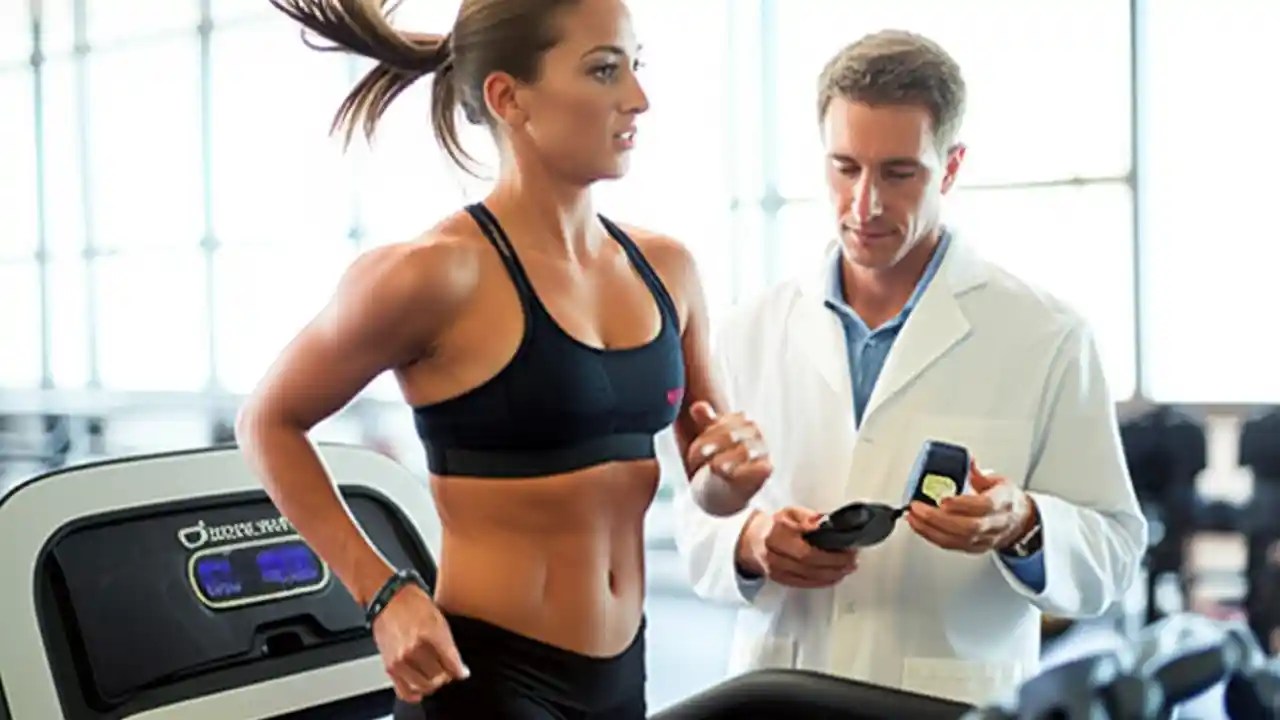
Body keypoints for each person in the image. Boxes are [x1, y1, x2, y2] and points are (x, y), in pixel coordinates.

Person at [235, 1, 773, 718]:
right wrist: (385, 595)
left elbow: (708, 490)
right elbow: (267, 422)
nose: (637, 99)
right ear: (508, 97)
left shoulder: (668, 270)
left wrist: (730, 478)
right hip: (485, 681)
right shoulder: (432, 275)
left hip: (623, 678)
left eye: (634, 67)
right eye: (604, 70)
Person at [669, 29, 1147, 706]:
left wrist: (1023, 524)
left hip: (948, 699)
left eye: (898, 173)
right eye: (844, 167)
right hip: (779, 691)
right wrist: (750, 543)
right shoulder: (749, 329)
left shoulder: (1048, 335)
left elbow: (1115, 551)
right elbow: (695, 523)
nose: (864, 204)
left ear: (949, 169)